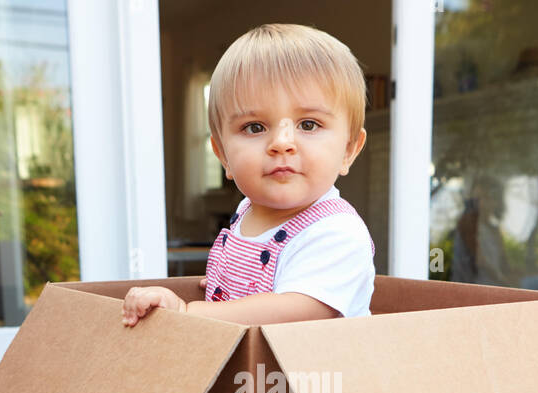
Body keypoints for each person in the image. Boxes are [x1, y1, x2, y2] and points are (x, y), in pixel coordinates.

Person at [122, 23, 374, 327]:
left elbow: (296, 310)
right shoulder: (245, 212)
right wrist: (226, 288)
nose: (282, 142)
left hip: (317, 373)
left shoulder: (337, 232)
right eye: (254, 127)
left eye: (308, 124)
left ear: (348, 150)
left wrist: (187, 313)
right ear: (223, 155)